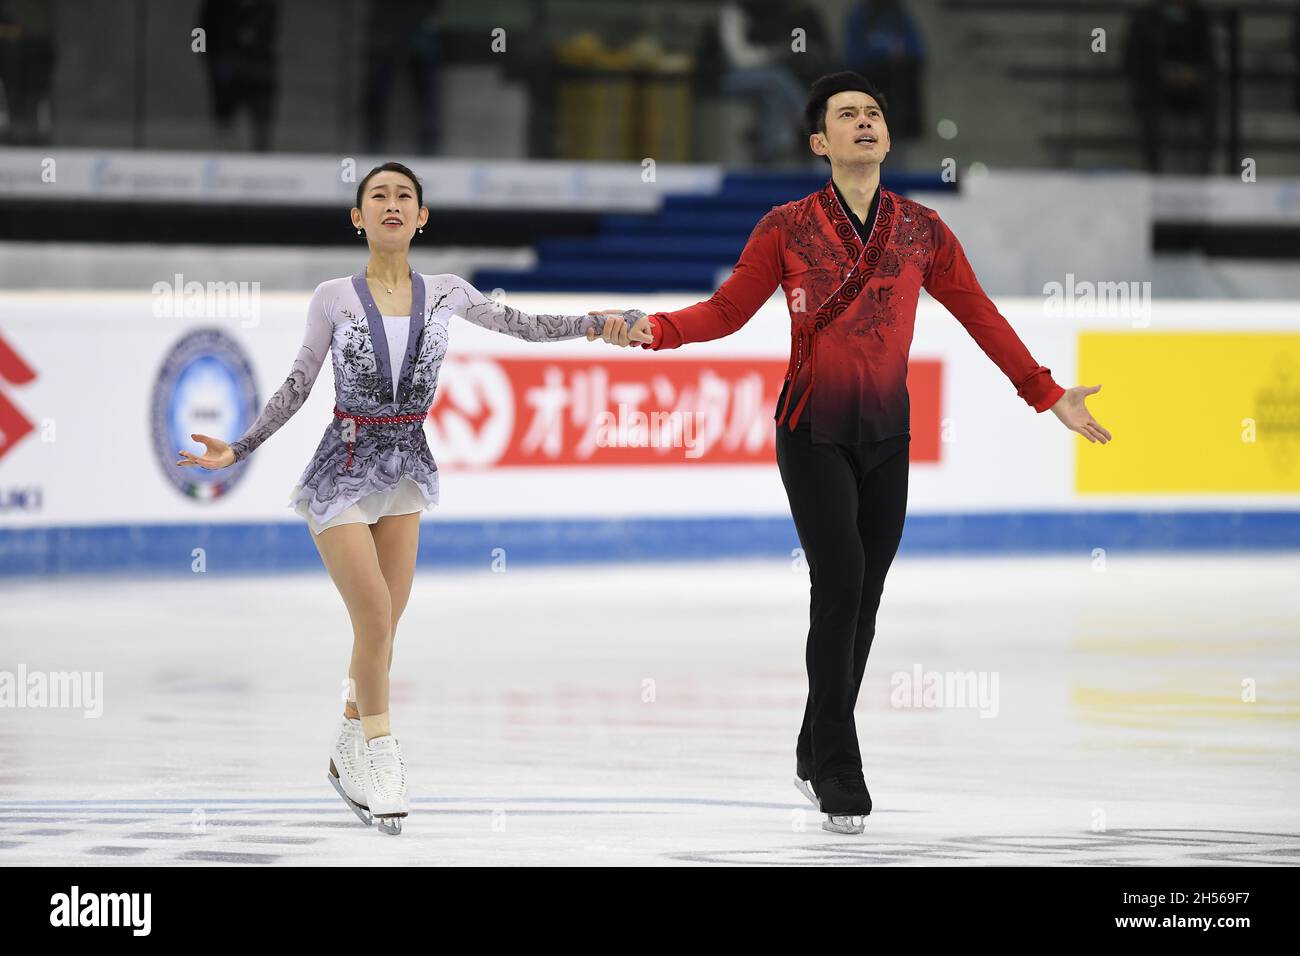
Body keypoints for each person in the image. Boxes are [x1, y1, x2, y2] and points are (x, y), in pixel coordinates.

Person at [595, 72, 1111, 835]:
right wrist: (656, 330)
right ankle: (838, 764)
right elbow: (728, 310)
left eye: (874, 112)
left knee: (863, 601)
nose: (865, 122)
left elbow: (979, 314)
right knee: (839, 582)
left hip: (887, 437)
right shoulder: (786, 226)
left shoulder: (923, 230)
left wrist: (1045, 392)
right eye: (848, 115)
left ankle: (811, 743)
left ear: (887, 135)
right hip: (811, 431)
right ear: (820, 142)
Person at [177, 161, 645, 834]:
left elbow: (524, 324)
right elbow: (299, 383)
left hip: (405, 470)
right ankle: (383, 757)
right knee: (373, 618)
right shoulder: (333, 297)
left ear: (422, 217)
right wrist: (239, 447)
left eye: (404, 197)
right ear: (357, 218)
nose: (392, 205)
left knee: (385, 629)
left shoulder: (448, 291)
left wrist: (595, 323)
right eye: (378, 197)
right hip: (341, 469)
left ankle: (345, 750)